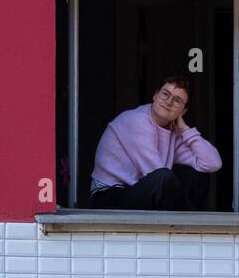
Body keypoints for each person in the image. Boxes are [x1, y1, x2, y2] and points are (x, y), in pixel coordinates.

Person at [88, 75, 222, 211]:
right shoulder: (136, 121)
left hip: (138, 193)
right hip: (109, 197)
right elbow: (155, 174)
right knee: (162, 178)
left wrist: (185, 130)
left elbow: (212, 163)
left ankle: (186, 225)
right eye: (165, 94)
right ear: (155, 95)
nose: (169, 101)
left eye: (177, 100)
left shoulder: (173, 132)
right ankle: (190, 226)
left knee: (196, 175)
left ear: (183, 111)